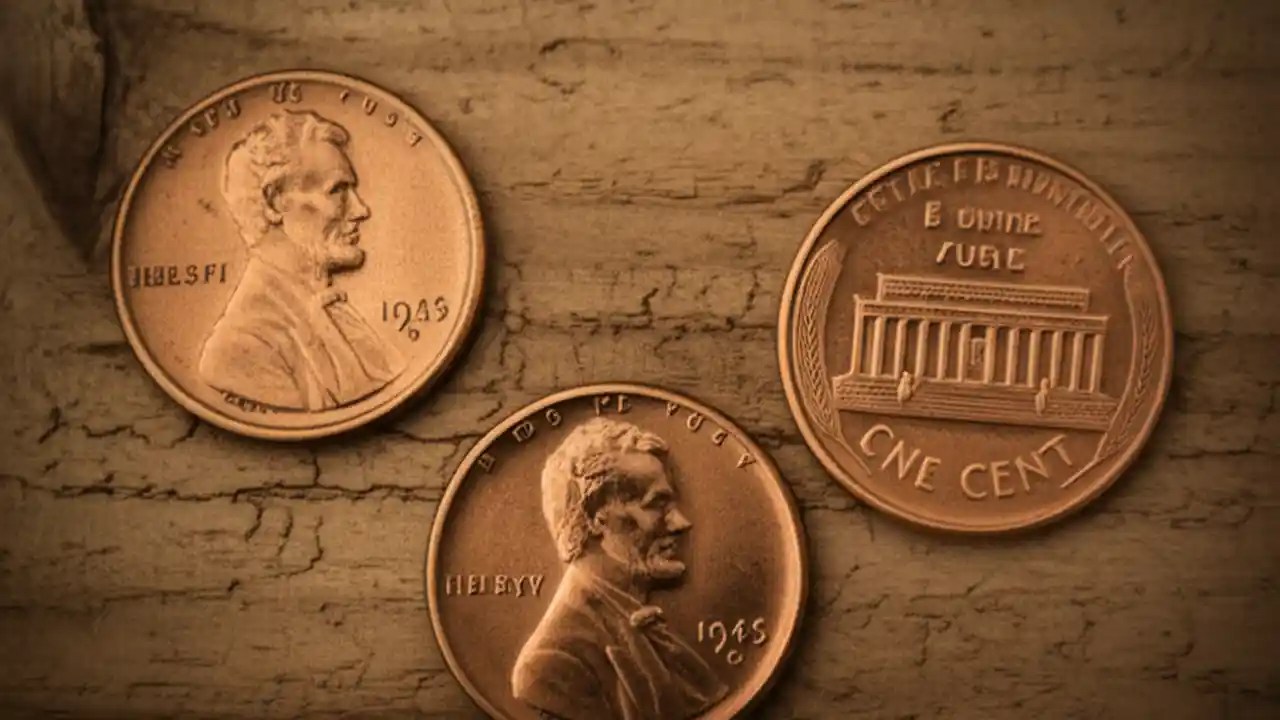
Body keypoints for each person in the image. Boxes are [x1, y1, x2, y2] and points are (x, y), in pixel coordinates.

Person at [512, 417, 728, 720]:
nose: (681, 523)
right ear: (596, 519)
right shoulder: (550, 664)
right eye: (656, 504)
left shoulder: (645, 624)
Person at [198, 110, 404, 411]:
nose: (361, 210)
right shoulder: (240, 347)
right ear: (274, 203)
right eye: (338, 190)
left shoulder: (332, 310)